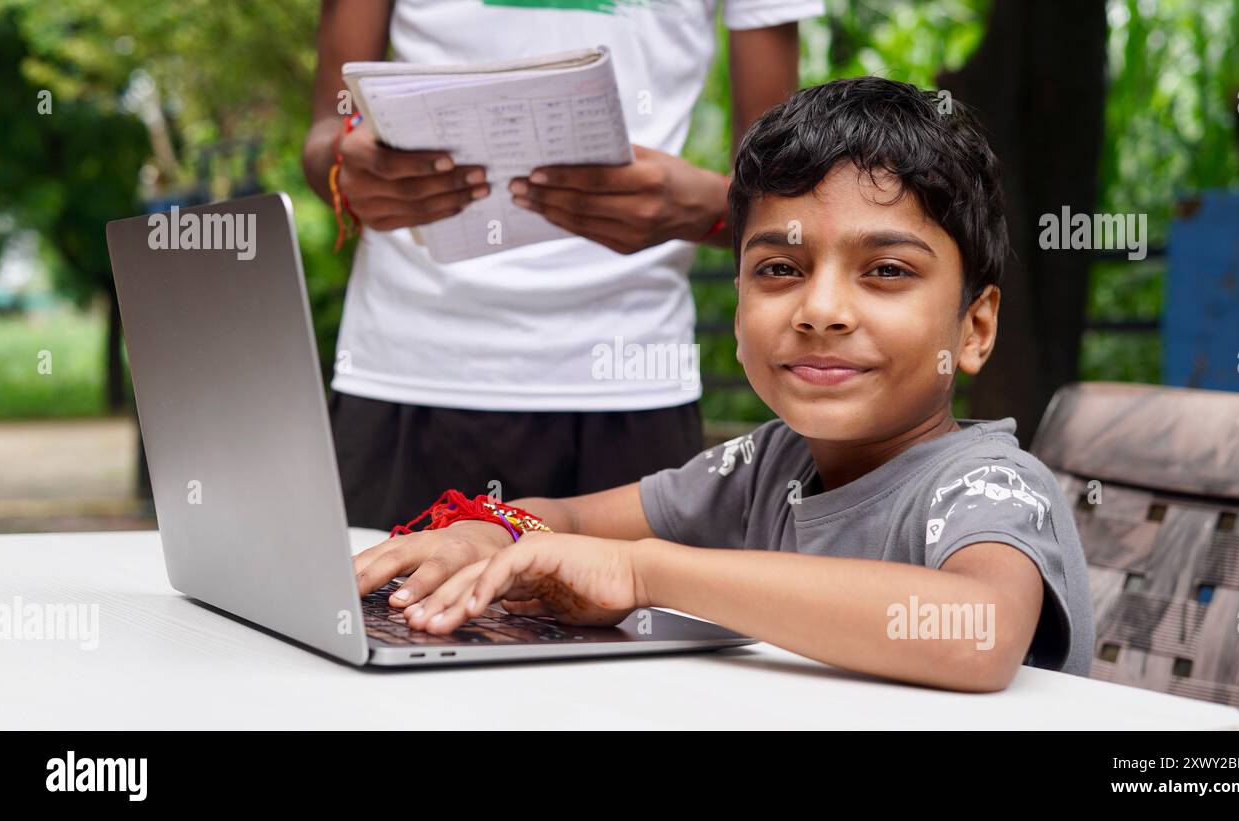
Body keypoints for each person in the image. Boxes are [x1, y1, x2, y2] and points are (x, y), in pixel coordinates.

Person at [349, 76, 1097, 691]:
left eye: (887, 271)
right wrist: (491, 533)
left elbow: (978, 629)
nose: (822, 310)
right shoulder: (766, 465)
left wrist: (645, 571)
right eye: (779, 269)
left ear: (975, 329)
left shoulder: (988, 486)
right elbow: (571, 524)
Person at [303, 0, 825, 529]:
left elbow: (774, 194)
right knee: (381, 606)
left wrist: (709, 210)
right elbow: (329, 127)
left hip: (631, 378)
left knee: (637, 612)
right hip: (404, 368)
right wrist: (346, 171)